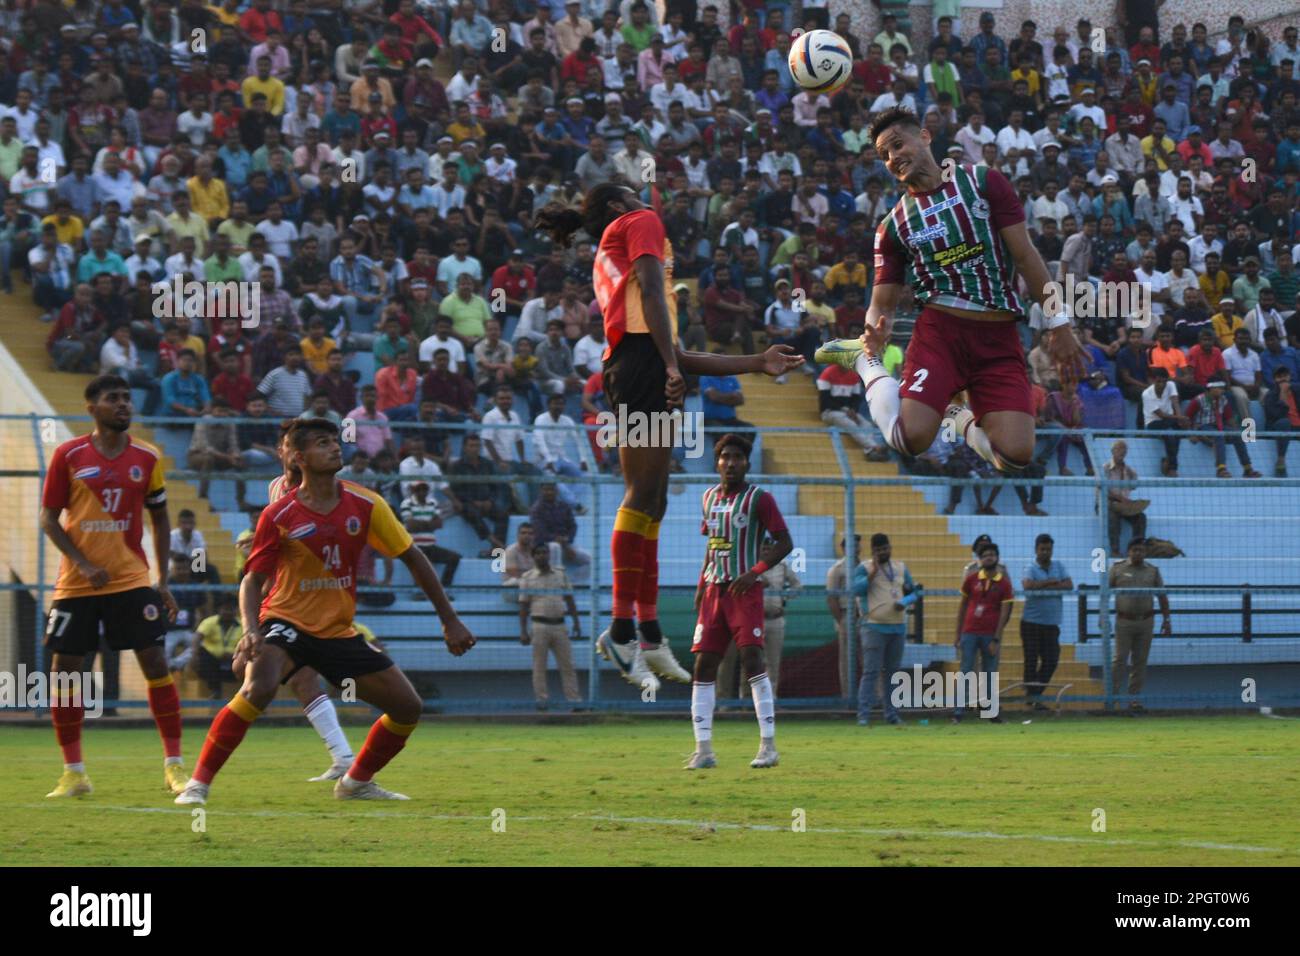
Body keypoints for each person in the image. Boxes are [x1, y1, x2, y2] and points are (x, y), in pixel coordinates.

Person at [535, 182, 801, 694]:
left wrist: (757, 363)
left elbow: (671, 346)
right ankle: (619, 630)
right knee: (640, 497)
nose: (646, 197)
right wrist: (671, 365)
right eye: (636, 191)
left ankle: (649, 632)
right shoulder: (639, 222)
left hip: (640, 363)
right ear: (617, 203)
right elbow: (657, 301)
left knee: (653, 501)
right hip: (639, 365)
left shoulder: (620, 253)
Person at [174, 419, 476, 806]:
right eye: (323, 443)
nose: (335, 448)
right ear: (299, 458)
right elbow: (252, 580)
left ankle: (355, 782)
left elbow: (413, 557)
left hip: (336, 630)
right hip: (285, 620)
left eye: (335, 441)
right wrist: (251, 631)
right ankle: (198, 785)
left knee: (407, 707)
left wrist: (449, 619)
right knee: (259, 687)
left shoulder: (367, 504)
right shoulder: (279, 512)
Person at [815, 107, 1087, 476]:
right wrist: (874, 332)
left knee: (1015, 455)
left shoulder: (983, 182)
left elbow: (1026, 256)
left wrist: (1060, 323)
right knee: (912, 439)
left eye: (898, 144)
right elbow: (882, 300)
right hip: (941, 335)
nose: (893, 158)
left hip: (998, 338)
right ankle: (867, 365)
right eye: (884, 156)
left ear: (925, 137)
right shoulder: (893, 226)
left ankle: (956, 417)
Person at [39, 375, 185, 798]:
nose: (123, 404)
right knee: (65, 671)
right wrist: (82, 563)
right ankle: (73, 773)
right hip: (77, 583)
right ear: (92, 408)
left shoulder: (147, 456)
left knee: (155, 661)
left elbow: (160, 518)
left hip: (130, 579)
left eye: (126, 397)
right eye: (113, 399)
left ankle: (174, 766)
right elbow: (48, 517)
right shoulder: (67, 455)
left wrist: (163, 580)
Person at [685, 433, 793, 770]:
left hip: (744, 592)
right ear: (717, 462)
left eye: (737, 458)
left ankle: (768, 745)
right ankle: (703, 750)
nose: (730, 463)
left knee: (751, 659)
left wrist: (755, 570)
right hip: (715, 592)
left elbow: (785, 542)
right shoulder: (707, 498)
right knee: (703, 666)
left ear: (746, 463)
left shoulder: (759, 499)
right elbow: (713, 544)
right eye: (725, 457)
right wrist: (702, 584)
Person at [851, 532, 918, 727]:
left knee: (892, 673)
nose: (883, 552)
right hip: (873, 627)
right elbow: (857, 590)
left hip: (897, 627)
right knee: (871, 672)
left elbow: (915, 592)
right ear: (872, 551)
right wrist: (873, 573)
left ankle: (892, 714)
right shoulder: (863, 568)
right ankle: (863, 714)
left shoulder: (900, 568)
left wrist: (904, 601)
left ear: (890, 548)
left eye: (885, 548)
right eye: (878, 550)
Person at [952, 539, 1012, 723]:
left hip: (989, 634)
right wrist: (958, 634)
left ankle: (990, 711)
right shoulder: (971, 579)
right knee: (966, 671)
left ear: (997, 558)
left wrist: (996, 638)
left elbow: (1005, 613)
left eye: (992, 555)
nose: (989, 558)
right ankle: (958, 711)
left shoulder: (1004, 583)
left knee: (989, 673)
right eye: (985, 556)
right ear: (979, 560)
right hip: (969, 632)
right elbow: (962, 607)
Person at [518, 542, 583, 711]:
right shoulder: (527, 578)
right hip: (539, 625)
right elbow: (523, 606)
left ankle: (574, 702)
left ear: (549, 554)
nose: (542, 556)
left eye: (544, 552)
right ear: (533, 557)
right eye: (538, 553)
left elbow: (570, 600)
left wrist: (576, 622)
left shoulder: (561, 575)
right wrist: (523, 631)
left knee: (567, 665)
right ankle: (542, 702)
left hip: (560, 625)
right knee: (539, 666)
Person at [1109, 537, 1171, 714]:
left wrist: (1166, 620)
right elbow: (1104, 593)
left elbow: (1162, 596)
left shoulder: (1152, 571)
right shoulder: (1117, 568)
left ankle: (1133, 699)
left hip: (1145, 621)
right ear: (1128, 552)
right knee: (1119, 659)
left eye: (1141, 550)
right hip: (1124, 621)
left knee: (1140, 661)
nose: (1138, 553)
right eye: (1135, 550)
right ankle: (1112, 697)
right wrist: (1102, 616)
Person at [1020, 533, 1073, 710]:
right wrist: (1050, 582)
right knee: (1031, 660)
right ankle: (1033, 698)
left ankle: (1034, 694)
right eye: (1042, 549)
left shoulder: (1059, 565)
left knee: (1051, 660)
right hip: (1031, 623)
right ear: (1036, 550)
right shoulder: (1030, 567)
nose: (1045, 552)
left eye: (1048, 549)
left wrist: (1042, 584)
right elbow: (1027, 586)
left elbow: (1069, 585)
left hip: (1052, 623)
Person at [399, 480, 461, 589]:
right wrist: (429, 524)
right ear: (413, 490)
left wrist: (420, 524)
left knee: (454, 558)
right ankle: (418, 592)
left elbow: (439, 524)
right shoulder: (406, 503)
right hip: (414, 546)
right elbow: (410, 526)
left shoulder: (432, 502)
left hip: (430, 546)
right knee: (423, 563)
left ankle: (444, 589)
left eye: (424, 489)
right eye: (418, 489)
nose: (422, 491)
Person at [825, 533, 861, 699]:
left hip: (865, 617)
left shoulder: (865, 567)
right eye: (852, 545)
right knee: (846, 660)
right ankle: (848, 697)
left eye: (857, 545)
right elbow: (831, 598)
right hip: (847, 614)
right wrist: (840, 620)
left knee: (869, 658)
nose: (856, 548)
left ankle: (875, 697)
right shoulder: (837, 569)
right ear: (844, 548)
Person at [1103, 440, 1149, 556]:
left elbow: (1134, 486)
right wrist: (1119, 498)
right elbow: (1102, 491)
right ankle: (1115, 550)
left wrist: (1131, 476)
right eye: (1119, 449)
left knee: (1140, 517)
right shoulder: (1105, 468)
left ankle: (1136, 550)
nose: (1122, 451)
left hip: (1124, 504)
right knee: (1113, 517)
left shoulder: (1129, 470)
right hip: (1107, 502)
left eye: (1124, 449)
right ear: (1112, 451)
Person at [192, 596, 242, 699]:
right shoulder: (209, 622)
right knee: (203, 653)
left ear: (236, 610)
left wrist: (235, 655)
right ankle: (216, 691)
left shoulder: (243, 624)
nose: (228, 612)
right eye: (225, 609)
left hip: (235, 661)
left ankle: (248, 696)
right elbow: (197, 638)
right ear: (219, 609)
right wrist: (194, 656)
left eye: (231, 609)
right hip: (212, 662)